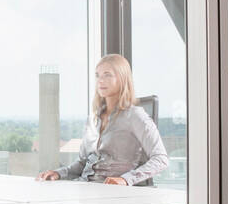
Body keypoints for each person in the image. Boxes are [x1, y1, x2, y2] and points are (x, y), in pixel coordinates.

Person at [37, 53, 169, 186]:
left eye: (107, 75)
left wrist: (126, 179)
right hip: (85, 188)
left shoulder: (135, 116)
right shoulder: (93, 118)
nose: (100, 80)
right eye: (97, 75)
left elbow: (161, 159)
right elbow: (83, 163)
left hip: (112, 194)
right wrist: (59, 173)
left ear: (122, 79)